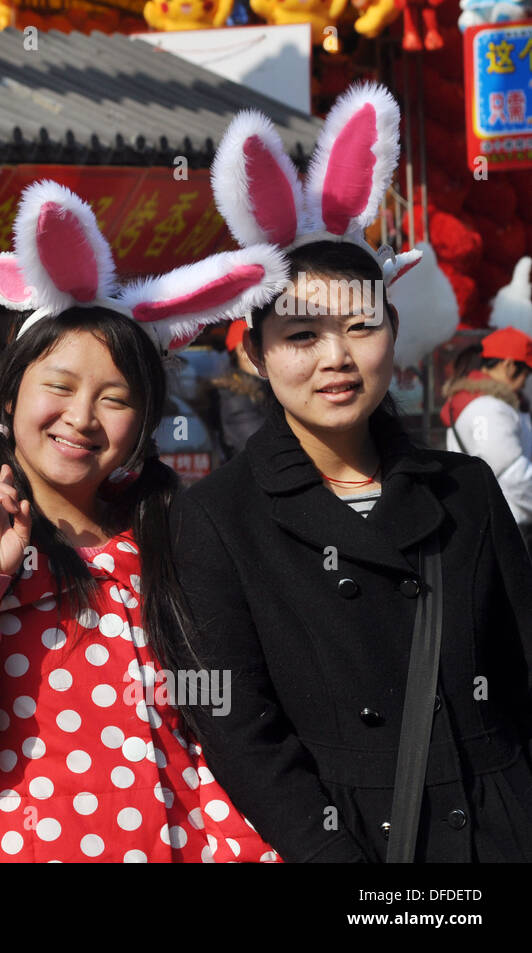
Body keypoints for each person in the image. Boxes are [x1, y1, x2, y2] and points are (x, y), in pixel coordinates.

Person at [0, 178, 287, 862]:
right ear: (12, 389)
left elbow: (218, 729)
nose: (81, 418)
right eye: (59, 386)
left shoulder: (172, 534)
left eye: (115, 397)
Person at [171, 84, 532, 862]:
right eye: (301, 334)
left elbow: (523, 663)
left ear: (392, 333)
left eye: (360, 326)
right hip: (358, 842)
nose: (335, 357)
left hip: (500, 822)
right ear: (254, 354)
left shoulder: (462, 488)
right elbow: (240, 729)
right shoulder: (216, 518)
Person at [440, 326, 532, 548]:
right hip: (507, 526)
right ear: (509, 365)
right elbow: (513, 473)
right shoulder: (488, 408)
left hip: (497, 522)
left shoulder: (484, 403)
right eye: (526, 374)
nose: (525, 384)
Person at [208, 319, 267, 459]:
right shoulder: (235, 398)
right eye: (263, 345)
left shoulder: (261, 388)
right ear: (243, 350)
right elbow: (261, 449)